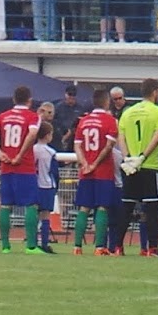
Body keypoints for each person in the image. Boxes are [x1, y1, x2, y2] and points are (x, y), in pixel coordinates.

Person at [116, 78, 158, 256]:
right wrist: (142, 157)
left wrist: (127, 158)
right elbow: (157, 137)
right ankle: (152, 248)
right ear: (155, 91)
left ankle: (117, 246)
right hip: (149, 165)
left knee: (127, 207)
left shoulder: (128, 112)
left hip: (131, 167)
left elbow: (121, 136)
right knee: (152, 208)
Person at [0, 86, 46, 255]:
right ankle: (30, 246)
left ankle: (5, 246)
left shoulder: (4, 116)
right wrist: (21, 154)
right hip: (25, 166)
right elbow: (31, 135)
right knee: (31, 204)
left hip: (6, 165)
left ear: (14, 100)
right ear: (29, 100)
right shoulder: (32, 116)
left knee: (6, 205)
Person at [71, 88, 119, 257]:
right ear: (107, 102)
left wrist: (84, 163)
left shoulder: (83, 121)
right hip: (103, 171)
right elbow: (108, 146)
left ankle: (77, 246)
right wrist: (95, 163)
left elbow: (77, 145)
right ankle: (99, 247)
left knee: (84, 208)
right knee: (102, 208)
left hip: (86, 171)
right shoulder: (110, 121)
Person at [32, 121, 60, 253]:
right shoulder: (50, 152)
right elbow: (54, 171)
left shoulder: (31, 149)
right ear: (48, 135)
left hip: (33, 184)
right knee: (45, 215)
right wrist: (56, 187)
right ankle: (44, 243)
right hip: (47, 185)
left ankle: (32, 242)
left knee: (33, 214)